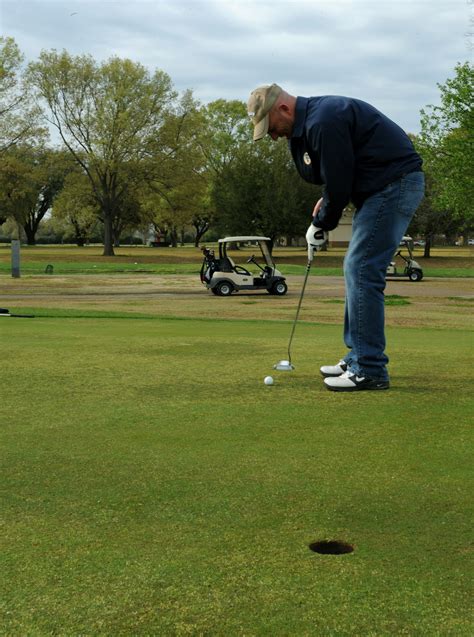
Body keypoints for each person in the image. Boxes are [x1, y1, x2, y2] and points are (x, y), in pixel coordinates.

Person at [247, 84, 424, 392]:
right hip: (379, 189)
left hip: (394, 185)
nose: (274, 136)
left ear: (284, 109)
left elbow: (340, 183)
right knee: (355, 268)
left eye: (272, 128)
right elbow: (333, 177)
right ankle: (358, 354)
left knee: (362, 268)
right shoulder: (310, 125)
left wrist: (322, 221)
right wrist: (328, 200)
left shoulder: (324, 120)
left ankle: (368, 368)